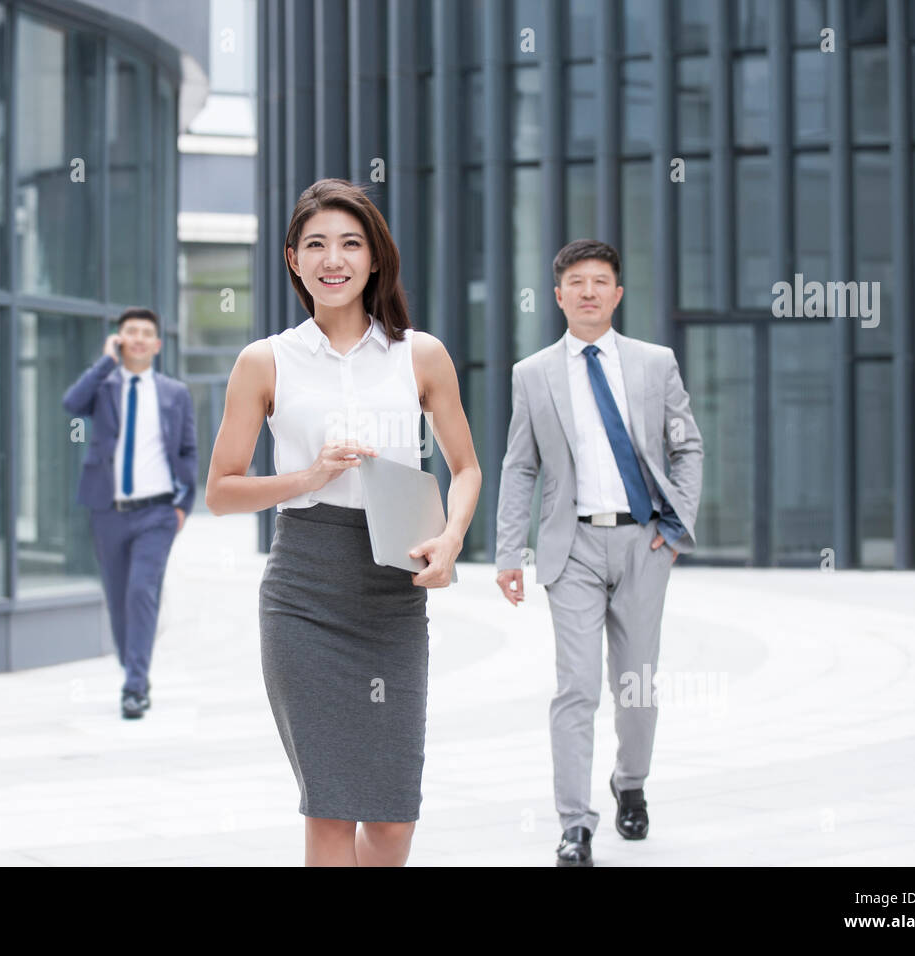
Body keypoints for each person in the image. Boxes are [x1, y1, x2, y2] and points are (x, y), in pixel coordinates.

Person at [206, 178, 481, 866]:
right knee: (329, 809)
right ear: (294, 260)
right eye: (317, 245)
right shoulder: (265, 361)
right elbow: (220, 491)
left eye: (351, 244)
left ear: (375, 259)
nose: (335, 259)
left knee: (389, 820)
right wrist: (309, 476)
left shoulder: (420, 355)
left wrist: (450, 540)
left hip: (393, 590)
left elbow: (467, 467)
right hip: (305, 590)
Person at [494, 240, 703, 867]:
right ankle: (574, 826)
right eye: (576, 282)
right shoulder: (532, 374)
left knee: (635, 685)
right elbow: (519, 466)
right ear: (558, 296)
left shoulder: (654, 363)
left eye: (600, 281)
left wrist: (676, 525)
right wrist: (510, 551)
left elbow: (686, 447)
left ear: (617, 294)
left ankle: (630, 782)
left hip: (644, 541)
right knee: (576, 687)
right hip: (572, 546)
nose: (588, 291)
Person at [62, 307, 197, 719]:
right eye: (129, 333)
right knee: (119, 598)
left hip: (156, 513)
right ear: (120, 341)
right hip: (108, 511)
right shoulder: (103, 388)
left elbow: (188, 450)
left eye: (145, 333)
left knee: (142, 592)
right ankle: (132, 666)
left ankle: (135, 685)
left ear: (157, 345)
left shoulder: (175, 393)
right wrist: (106, 361)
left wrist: (181, 505)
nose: (138, 339)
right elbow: (71, 404)